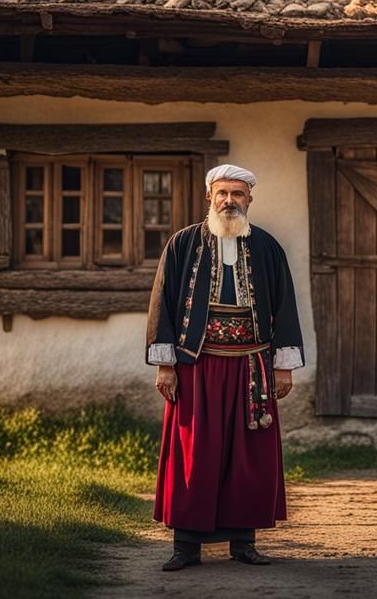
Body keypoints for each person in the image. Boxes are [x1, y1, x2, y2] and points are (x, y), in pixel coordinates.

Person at [145, 163, 305, 571]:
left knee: (246, 456)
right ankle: (186, 547)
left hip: (251, 367)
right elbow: (162, 305)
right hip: (196, 367)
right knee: (194, 453)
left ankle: (243, 542)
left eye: (237, 194)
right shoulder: (182, 245)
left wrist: (283, 367)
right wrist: (166, 366)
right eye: (222, 193)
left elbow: (285, 309)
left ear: (249, 199)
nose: (229, 201)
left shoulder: (267, 248)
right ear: (209, 197)